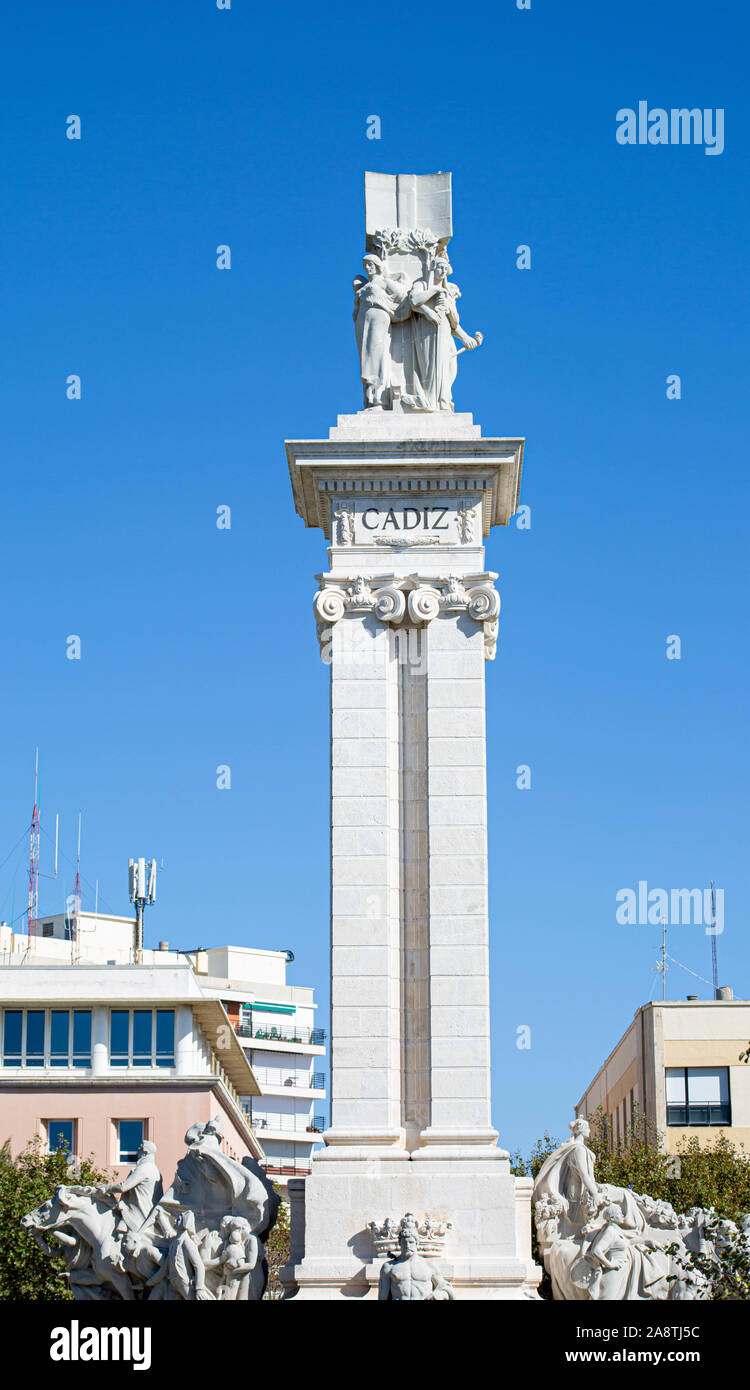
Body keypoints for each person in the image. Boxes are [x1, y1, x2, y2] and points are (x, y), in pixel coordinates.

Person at [408, 255, 478, 411]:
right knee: (429, 365)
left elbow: (455, 322)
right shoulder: (422, 285)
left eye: (445, 268)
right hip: (426, 331)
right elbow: (413, 301)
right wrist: (429, 307)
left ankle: (443, 400)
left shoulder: (448, 292)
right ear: (433, 268)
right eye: (440, 267)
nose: (443, 271)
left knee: (447, 367)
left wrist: (466, 338)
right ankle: (430, 401)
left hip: (444, 331)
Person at [352, 254, 409, 408]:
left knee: (377, 353)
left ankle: (379, 396)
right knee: (366, 355)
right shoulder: (362, 285)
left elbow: (401, 295)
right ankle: (370, 395)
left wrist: (386, 303)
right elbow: (355, 309)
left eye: (370, 265)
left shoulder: (384, 281)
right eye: (365, 265)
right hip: (363, 318)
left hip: (379, 316)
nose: (367, 268)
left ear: (377, 266)